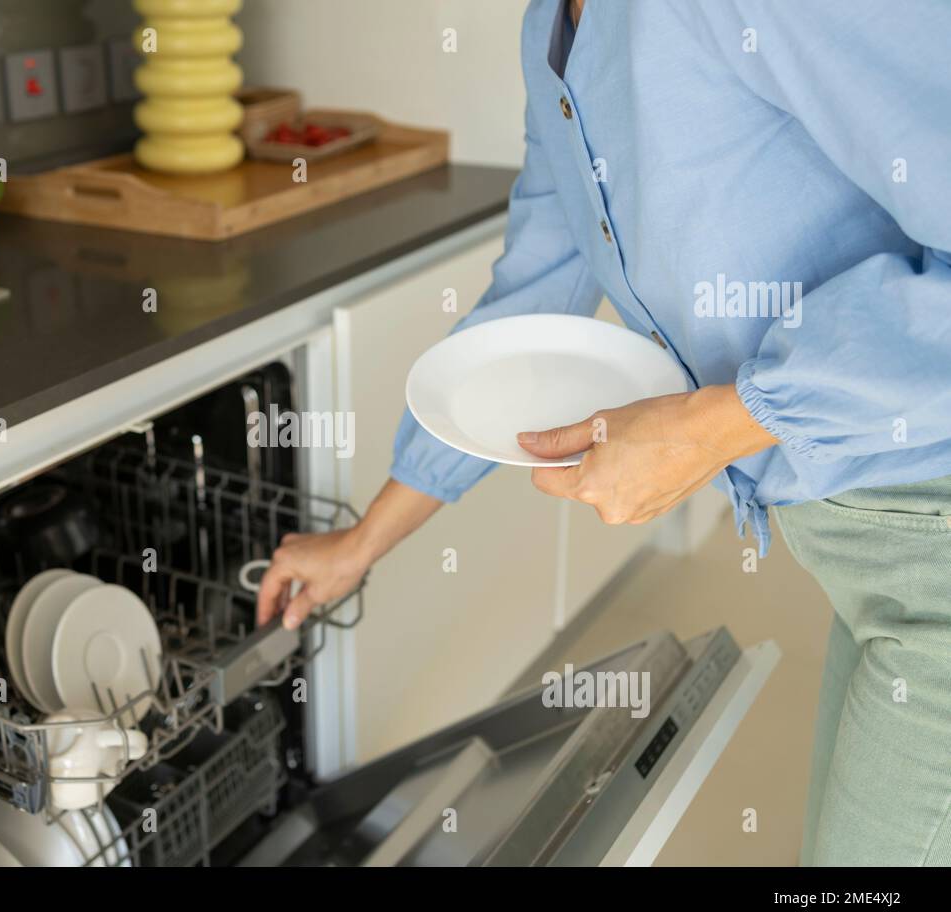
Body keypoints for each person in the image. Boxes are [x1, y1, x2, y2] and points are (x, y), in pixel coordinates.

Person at [254, 0, 951, 866]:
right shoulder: (553, 31)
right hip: (874, 571)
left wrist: (709, 427)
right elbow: (534, 290)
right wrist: (363, 542)